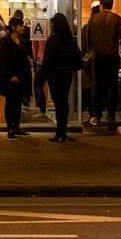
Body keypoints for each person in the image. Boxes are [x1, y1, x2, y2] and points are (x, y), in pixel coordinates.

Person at [39, 12, 82, 142]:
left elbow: (47, 60)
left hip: (54, 76)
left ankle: (60, 132)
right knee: (64, 102)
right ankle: (63, 131)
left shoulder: (53, 40)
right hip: (67, 75)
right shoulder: (70, 40)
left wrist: (44, 74)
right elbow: (77, 58)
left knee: (59, 103)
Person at [85, 0, 121, 128]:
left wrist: (92, 50)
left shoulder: (93, 19)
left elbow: (88, 39)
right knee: (113, 86)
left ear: (101, 5)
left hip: (97, 56)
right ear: (112, 5)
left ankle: (96, 115)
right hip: (112, 56)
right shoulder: (117, 19)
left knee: (96, 85)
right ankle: (111, 115)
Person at [0, 11, 33, 139]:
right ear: (13, 27)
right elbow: (4, 61)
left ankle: (16, 127)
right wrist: (11, 75)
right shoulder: (6, 41)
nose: (23, 27)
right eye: (20, 25)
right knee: (10, 103)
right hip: (10, 77)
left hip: (21, 76)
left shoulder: (22, 40)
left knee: (18, 103)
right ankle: (10, 128)